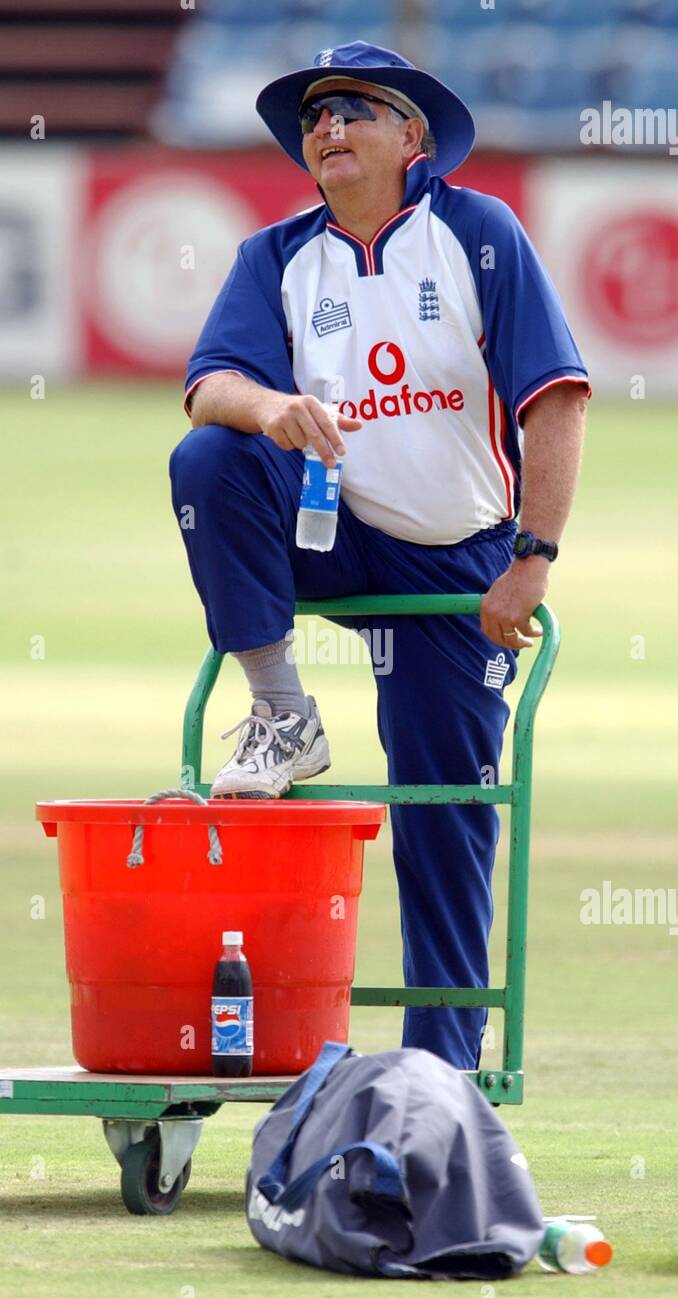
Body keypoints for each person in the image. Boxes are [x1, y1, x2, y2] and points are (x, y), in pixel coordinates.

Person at [169, 41, 589, 1070]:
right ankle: (282, 712)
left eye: (354, 108)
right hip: (333, 539)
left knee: (445, 824)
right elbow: (206, 386)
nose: (328, 127)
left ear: (413, 136)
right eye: (314, 115)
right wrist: (272, 406)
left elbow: (558, 398)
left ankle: (438, 1078)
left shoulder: (478, 234)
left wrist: (531, 560)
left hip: (456, 562)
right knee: (211, 459)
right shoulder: (276, 256)